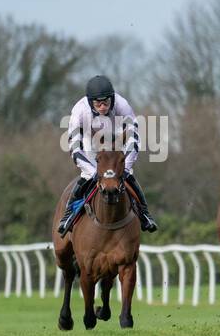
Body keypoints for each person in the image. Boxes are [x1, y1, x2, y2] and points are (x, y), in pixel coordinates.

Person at [57, 75, 157, 235]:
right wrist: (94, 172)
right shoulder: (79, 111)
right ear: (90, 103)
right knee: (86, 176)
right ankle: (69, 214)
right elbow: (75, 149)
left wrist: (126, 167)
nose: (103, 107)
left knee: (129, 175)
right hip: (89, 141)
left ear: (112, 99)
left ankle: (144, 213)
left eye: (106, 102)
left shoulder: (122, 104)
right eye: (98, 103)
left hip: (116, 138)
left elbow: (134, 138)